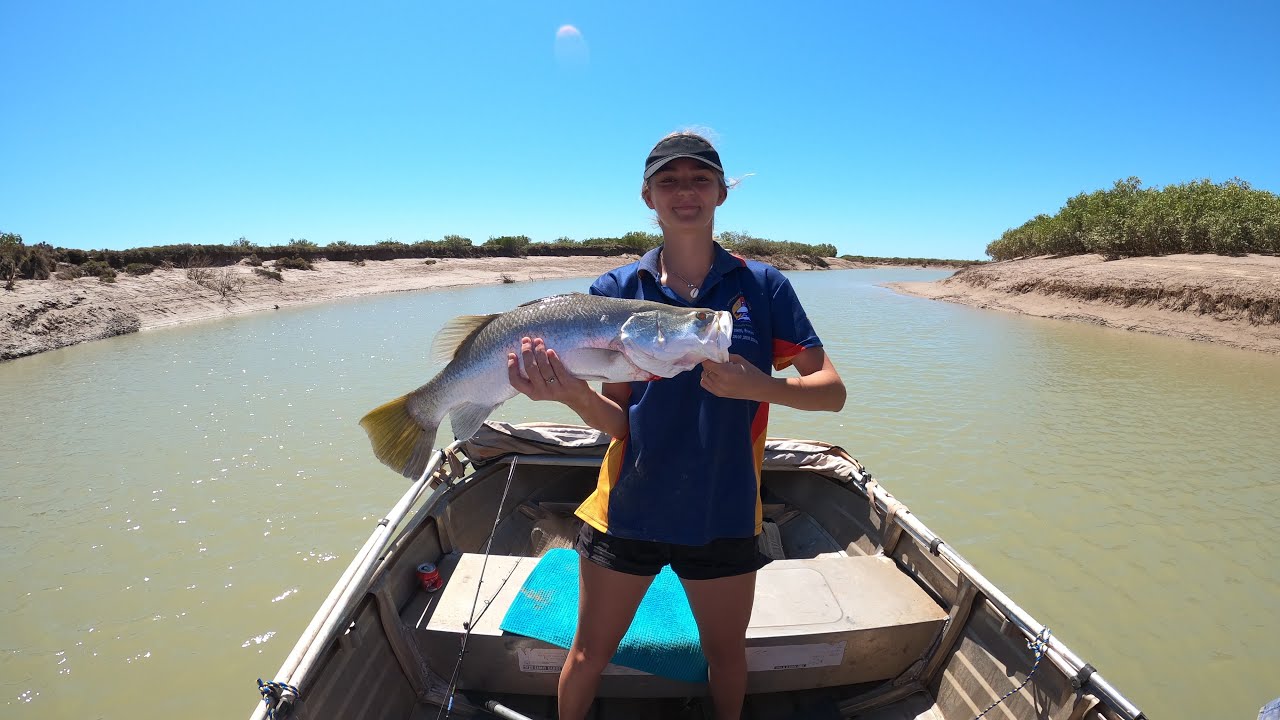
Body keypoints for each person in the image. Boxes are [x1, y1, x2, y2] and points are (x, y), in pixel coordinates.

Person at [507, 131, 846, 720]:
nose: (684, 192)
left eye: (698, 180)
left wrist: (759, 387)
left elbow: (832, 394)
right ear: (647, 196)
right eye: (669, 180)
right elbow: (619, 422)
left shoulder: (763, 287)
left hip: (726, 509)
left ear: (721, 193)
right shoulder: (616, 292)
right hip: (627, 508)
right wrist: (569, 394)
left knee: (725, 656)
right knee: (586, 654)